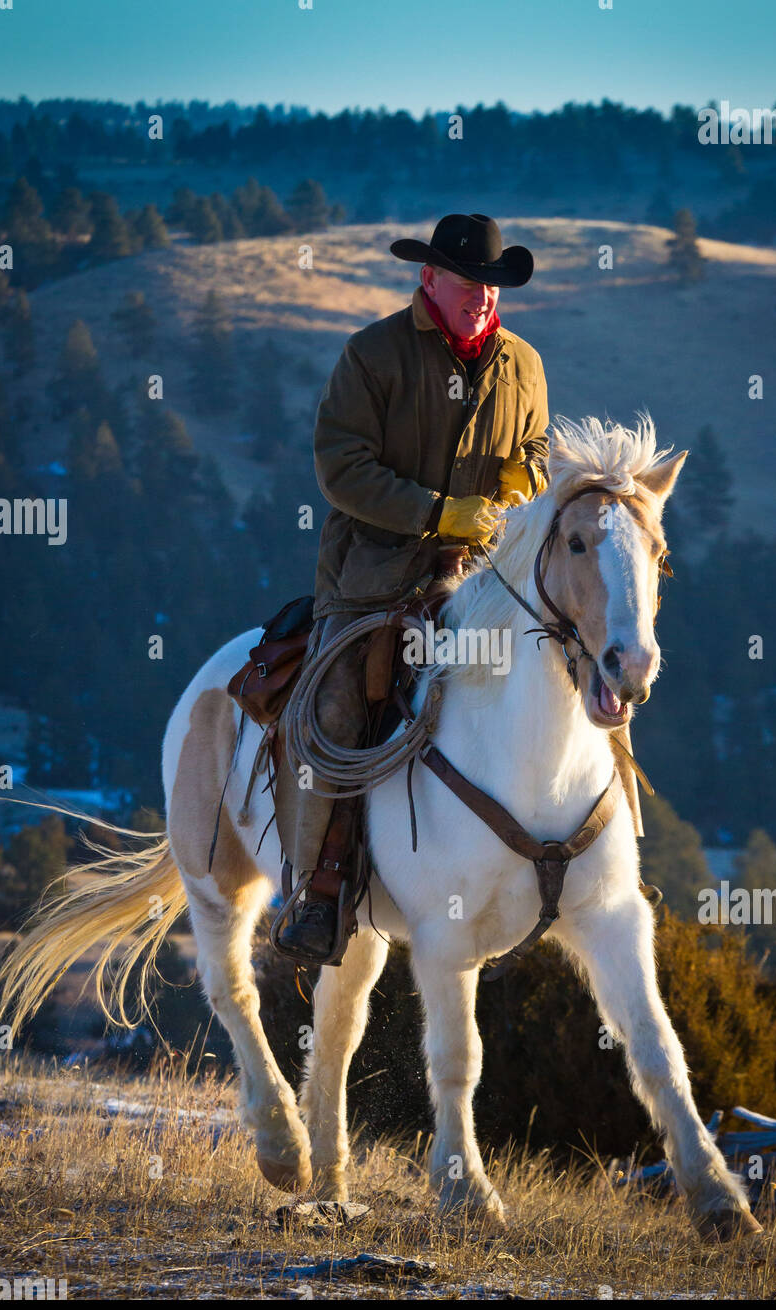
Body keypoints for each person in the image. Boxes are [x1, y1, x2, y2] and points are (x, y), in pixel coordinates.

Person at [271, 213, 650, 966]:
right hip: (375, 576)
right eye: (467, 282)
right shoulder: (372, 355)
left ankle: (621, 864)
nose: (481, 296)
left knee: (601, 674)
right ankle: (321, 890)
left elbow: (538, 456)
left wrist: (526, 482)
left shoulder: (524, 365)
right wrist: (437, 512)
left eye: (491, 285)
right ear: (428, 279)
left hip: (490, 577)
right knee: (343, 702)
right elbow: (341, 468)